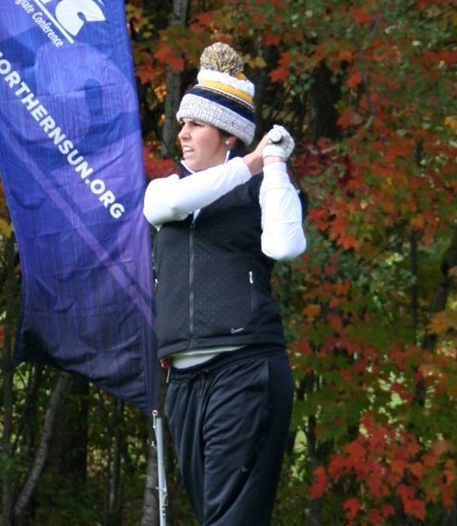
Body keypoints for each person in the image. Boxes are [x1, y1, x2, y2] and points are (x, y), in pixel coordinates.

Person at [142, 41, 307, 525]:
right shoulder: (166, 190)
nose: (183, 132)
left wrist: (272, 164)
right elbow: (168, 207)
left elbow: (285, 245)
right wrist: (249, 162)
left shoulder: (264, 188)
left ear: (228, 134)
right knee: (216, 515)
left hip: (245, 367)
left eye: (196, 123)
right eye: (183, 122)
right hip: (184, 382)